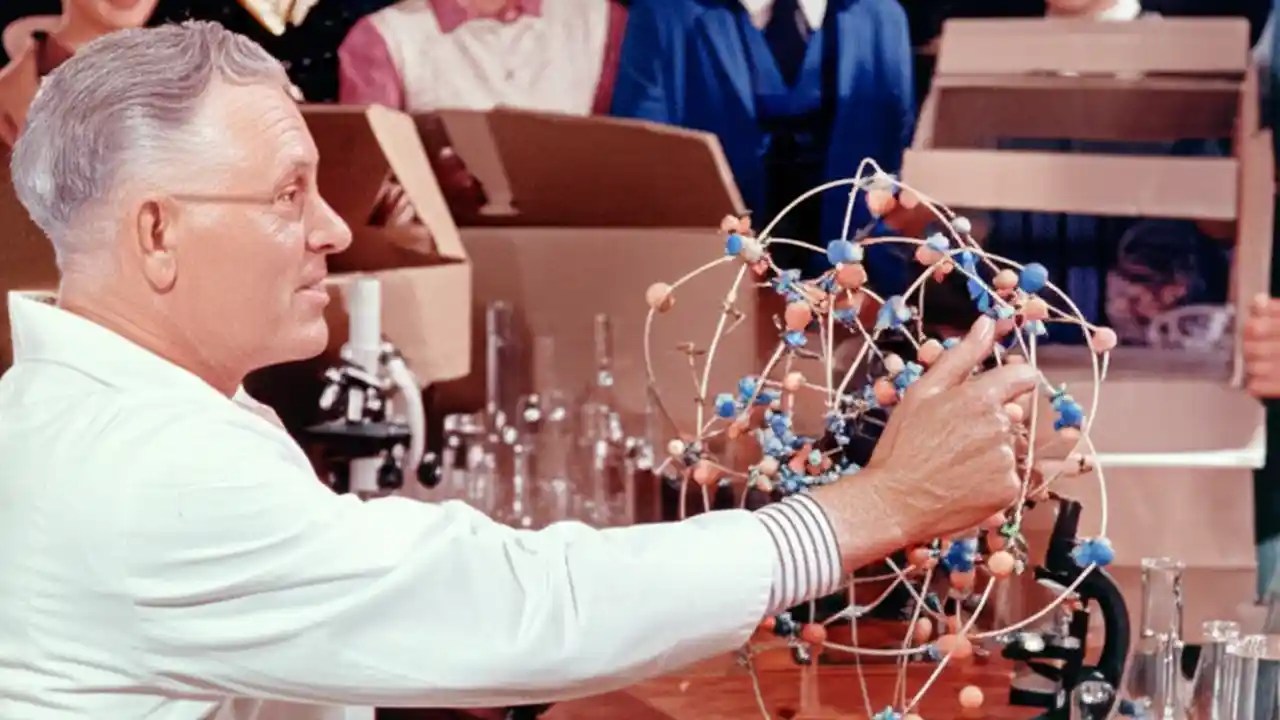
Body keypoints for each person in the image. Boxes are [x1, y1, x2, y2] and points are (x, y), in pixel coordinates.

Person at [0, 21, 1038, 719]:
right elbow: (518, 604)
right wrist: (877, 506)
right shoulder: (149, 471)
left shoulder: (86, 415)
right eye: (288, 193)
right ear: (156, 232)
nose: (331, 228)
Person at [610, 0, 919, 281]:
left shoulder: (881, 17)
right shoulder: (666, 14)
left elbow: (888, 170)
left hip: (849, 306)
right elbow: (642, 175)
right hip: (713, 297)